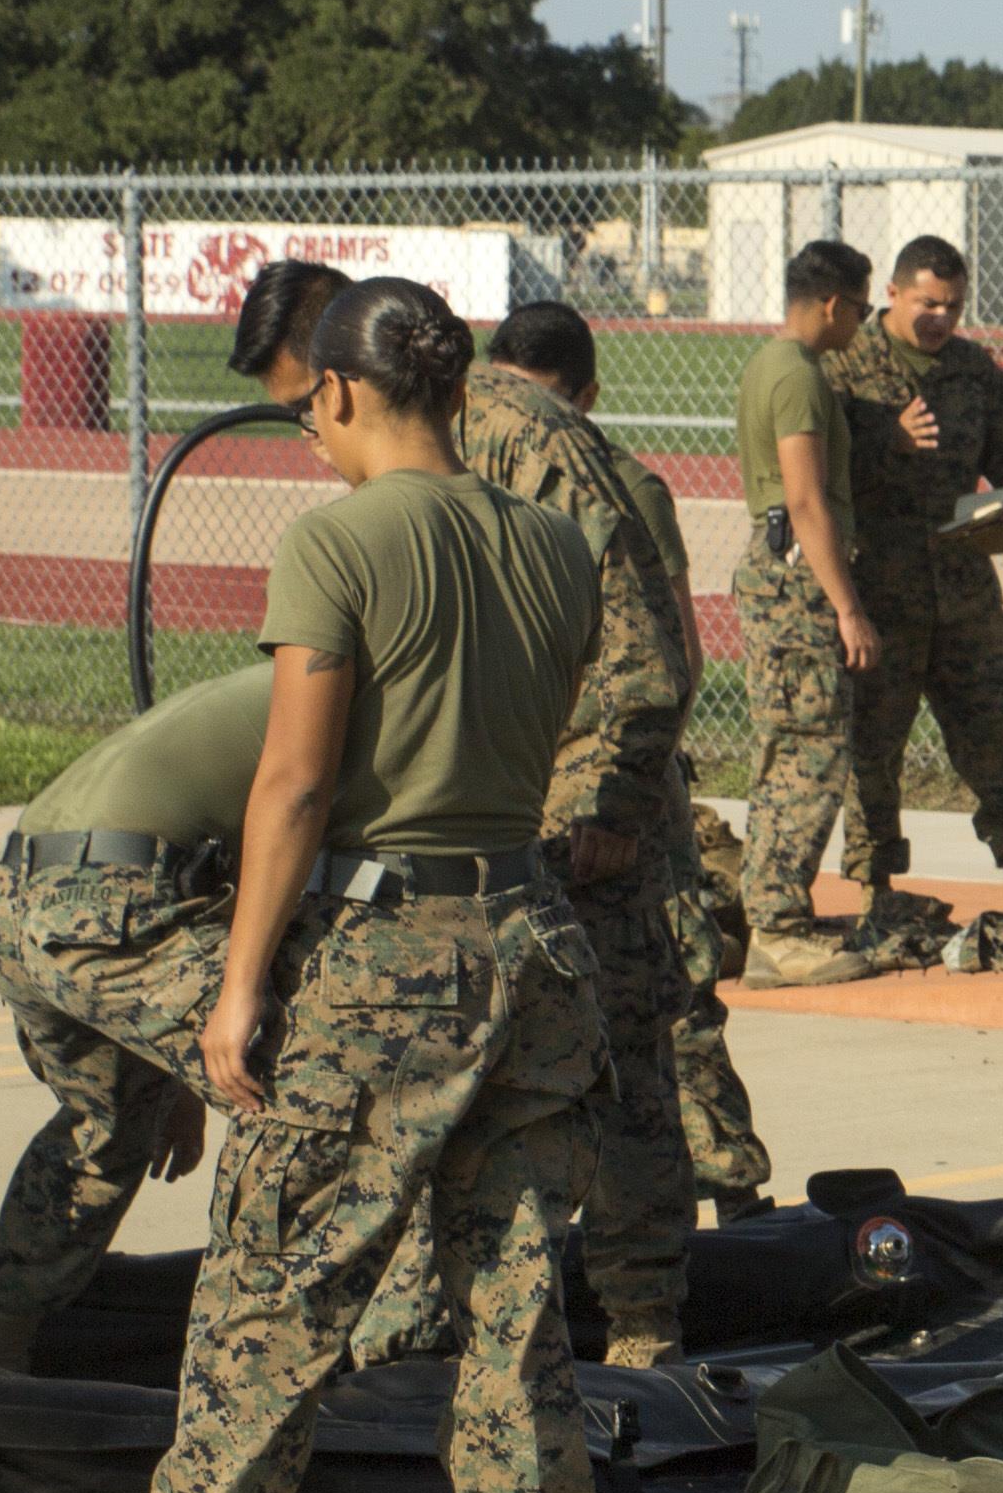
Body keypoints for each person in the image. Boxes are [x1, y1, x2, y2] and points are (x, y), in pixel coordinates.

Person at [43, 276, 608, 1493]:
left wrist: (239, 988)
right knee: (515, 1290)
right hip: (533, 943)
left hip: (387, 952)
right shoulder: (557, 544)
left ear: (345, 391)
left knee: (277, 1286)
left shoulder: (337, 541)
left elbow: (293, 784)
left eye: (307, 407)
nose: (307, 431)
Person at [226, 260, 703, 1358]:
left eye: (306, 403)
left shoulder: (511, 434)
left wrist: (600, 810)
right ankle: (440, 1348)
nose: (308, 432)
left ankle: (645, 1331)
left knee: (620, 1082)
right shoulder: (415, 459)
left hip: (581, 820)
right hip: (495, 825)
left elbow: (645, 655)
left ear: (345, 365)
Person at [493, 299, 774, 1222]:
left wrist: (630, 789)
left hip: (616, 783)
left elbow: (673, 655)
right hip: (526, 781)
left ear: (585, 401)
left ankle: (731, 1194)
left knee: (669, 997)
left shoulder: (618, 486)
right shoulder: (468, 470)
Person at [0, 665, 262, 1370]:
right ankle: (277, 1368)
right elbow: (290, 842)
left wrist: (175, 1069)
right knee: (324, 1096)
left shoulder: (279, 677)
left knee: (108, 1125)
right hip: (114, 902)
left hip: (10, 899)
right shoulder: (366, 692)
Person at [831, 234, 1003, 934]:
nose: (940, 317)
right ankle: (876, 889)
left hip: (963, 593)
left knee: (998, 735)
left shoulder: (973, 370)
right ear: (893, 294)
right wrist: (886, 441)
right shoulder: (846, 366)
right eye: (927, 303)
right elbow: (815, 476)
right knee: (873, 747)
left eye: (953, 306)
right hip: (880, 594)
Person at [731, 236, 885, 988]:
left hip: (784, 575)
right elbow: (804, 498)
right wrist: (847, 608)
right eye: (862, 308)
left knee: (787, 751)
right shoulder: (796, 376)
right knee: (810, 756)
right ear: (831, 304)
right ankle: (778, 932)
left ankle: (773, 915)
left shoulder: (774, 363)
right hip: (799, 583)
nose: (863, 321)